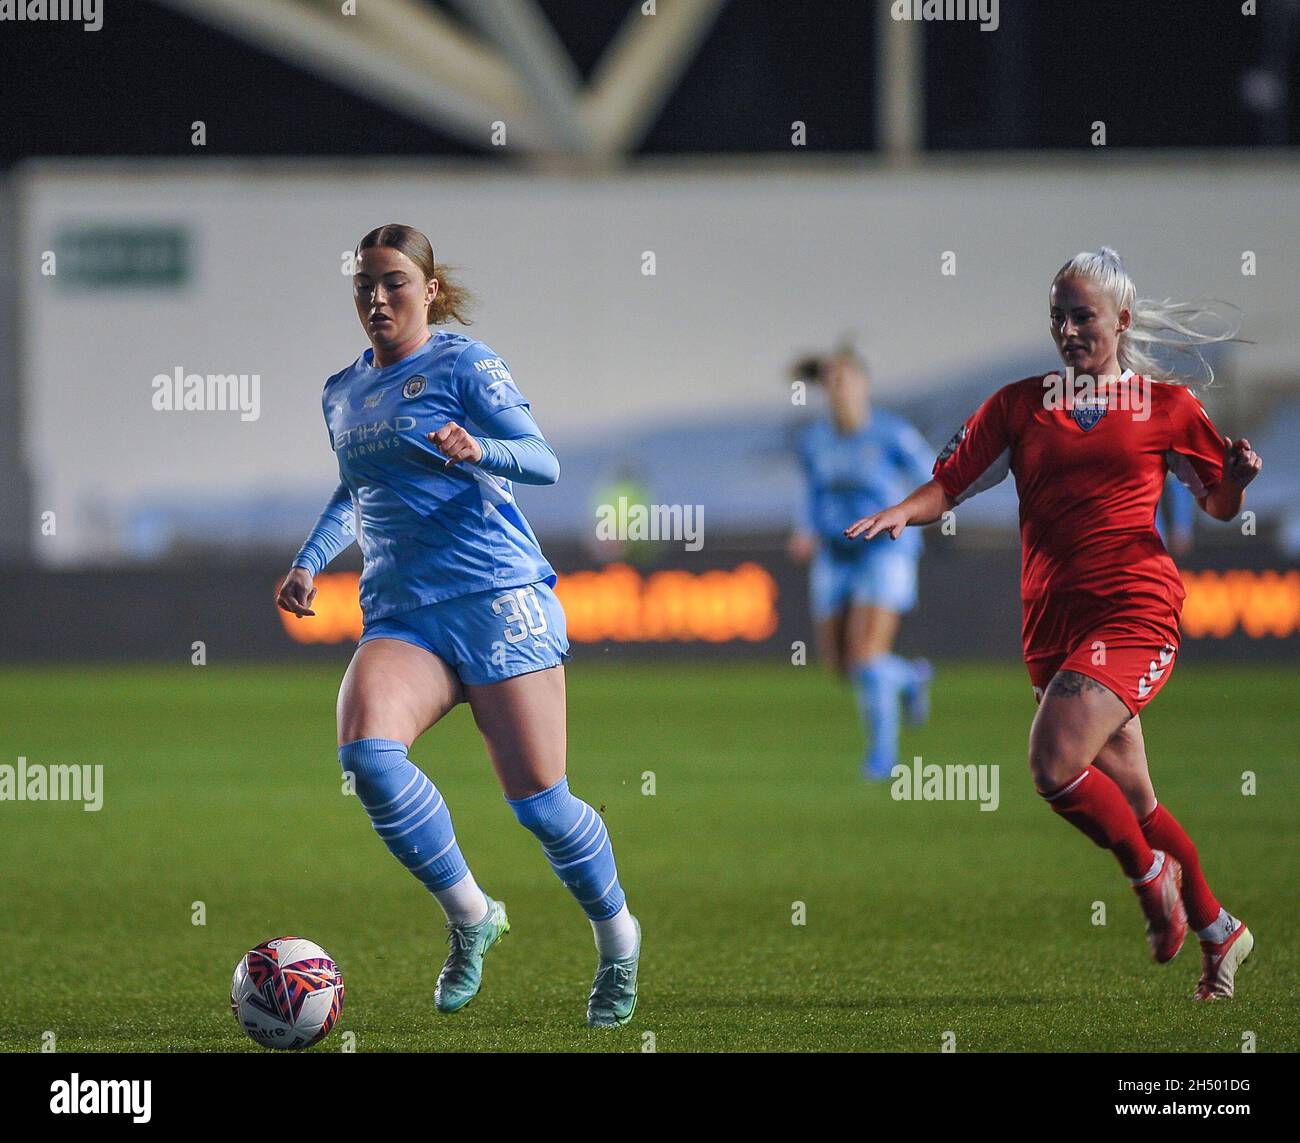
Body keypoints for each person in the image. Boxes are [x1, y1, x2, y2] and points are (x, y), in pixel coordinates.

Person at [845, 248, 1260, 999]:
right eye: (1058, 317)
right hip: (1053, 622)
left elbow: (1217, 504)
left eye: (1083, 316)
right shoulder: (1018, 405)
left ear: (1121, 321)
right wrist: (902, 513)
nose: (1068, 330)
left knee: (1052, 763)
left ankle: (1149, 881)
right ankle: (1217, 926)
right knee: (1136, 801)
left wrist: (1231, 483)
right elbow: (952, 481)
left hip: (1135, 612)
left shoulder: (1166, 407)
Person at [276, 223, 640, 1027]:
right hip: (402, 612)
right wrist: (311, 559)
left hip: (496, 598)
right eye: (364, 283)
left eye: (394, 282)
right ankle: (474, 916)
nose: (376, 297)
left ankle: (617, 937)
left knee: (542, 805)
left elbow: (541, 458)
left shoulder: (466, 364)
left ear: (429, 289)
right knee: (368, 756)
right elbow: (355, 490)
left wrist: (481, 447)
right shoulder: (342, 390)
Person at [789, 349, 934, 779]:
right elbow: (811, 492)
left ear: (863, 385)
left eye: (846, 380)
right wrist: (805, 529)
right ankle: (909, 678)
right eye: (831, 382)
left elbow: (934, 474)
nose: (839, 390)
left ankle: (882, 757)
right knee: (840, 665)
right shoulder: (814, 439)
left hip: (885, 551)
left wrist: (908, 516)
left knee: (867, 654)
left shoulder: (892, 434)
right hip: (835, 553)